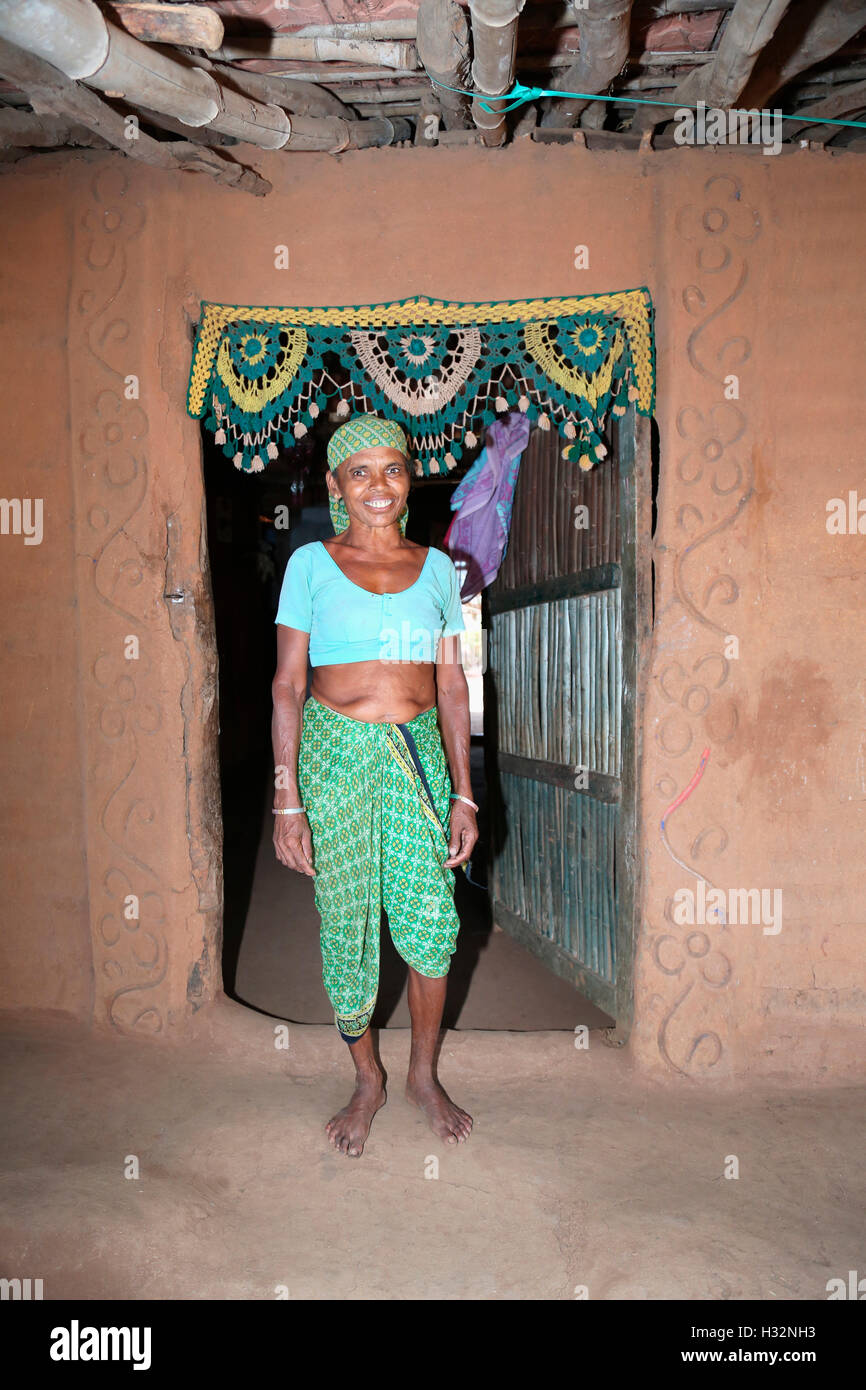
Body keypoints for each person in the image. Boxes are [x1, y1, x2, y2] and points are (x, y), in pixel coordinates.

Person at [271, 414, 479, 1158]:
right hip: (335, 755)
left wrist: (464, 792)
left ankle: (422, 1075)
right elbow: (288, 684)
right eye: (359, 473)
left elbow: (452, 681)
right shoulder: (310, 567)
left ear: (408, 478)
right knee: (347, 921)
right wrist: (286, 797)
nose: (378, 486)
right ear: (335, 486)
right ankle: (368, 1080)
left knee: (431, 922)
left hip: (418, 753)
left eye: (391, 469)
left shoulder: (439, 570)